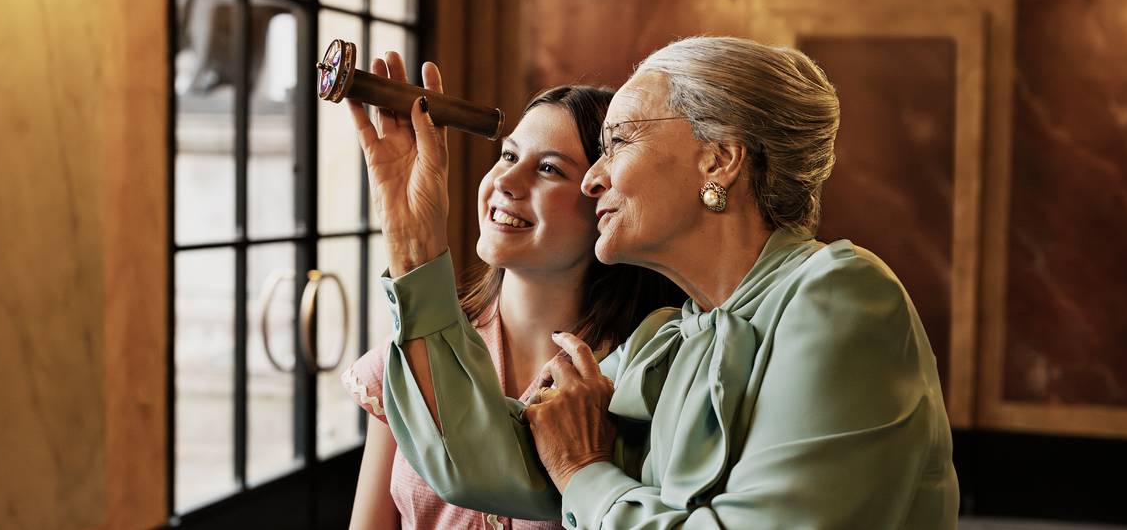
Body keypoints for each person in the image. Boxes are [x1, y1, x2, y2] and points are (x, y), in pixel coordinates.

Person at [355, 37, 960, 529]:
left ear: (719, 160)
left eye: (618, 141)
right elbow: (480, 463)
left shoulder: (843, 294)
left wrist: (586, 473)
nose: (594, 179)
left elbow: (573, 471)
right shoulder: (671, 338)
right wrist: (414, 242)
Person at [342, 51, 682, 530]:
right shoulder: (408, 358)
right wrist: (407, 235)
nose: (506, 180)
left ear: (605, 202)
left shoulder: (643, 378)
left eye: (549, 169)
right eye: (507, 155)